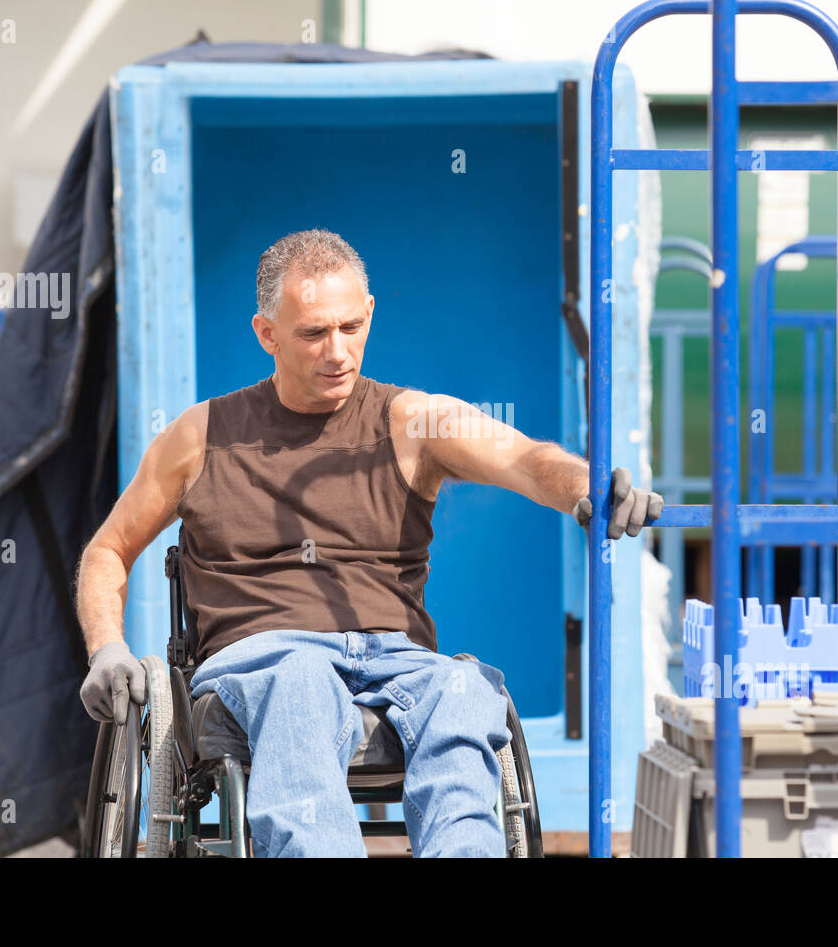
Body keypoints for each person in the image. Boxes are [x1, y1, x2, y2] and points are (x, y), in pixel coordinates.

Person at [76, 228, 661, 857]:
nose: (338, 352)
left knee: (465, 689)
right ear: (267, 333)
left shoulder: (411, 422)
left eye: (352, 327)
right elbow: (108, 550)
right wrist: (107, 649)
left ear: (371, 313)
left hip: (395, 659)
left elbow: (522, 459)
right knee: (301, 682)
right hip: (266, 658)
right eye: (314, 333)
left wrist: (587, 487)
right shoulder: (201, 437)